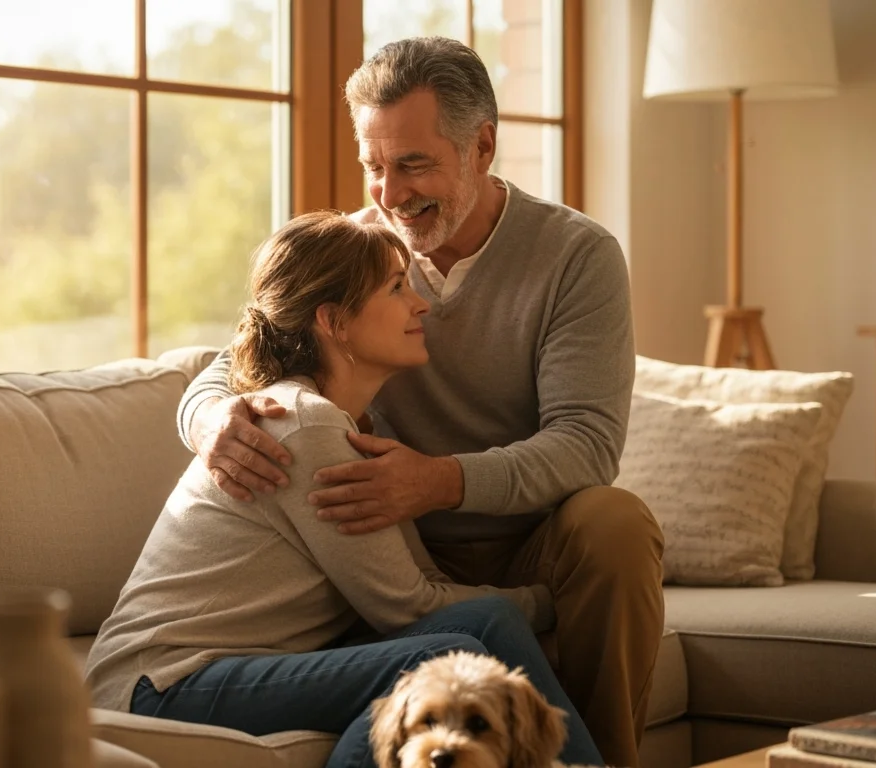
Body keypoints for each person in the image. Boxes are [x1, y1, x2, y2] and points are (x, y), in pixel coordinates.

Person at [175, 37, 665, 768]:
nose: (389, 194)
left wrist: (439, 479)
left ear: (483, 146)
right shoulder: (355, 249)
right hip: (382, 536)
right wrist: (210, 417)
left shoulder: (575, 255)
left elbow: (587, 444)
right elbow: (241, 357)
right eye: (373, 166)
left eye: (411, 163)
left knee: (617, 523)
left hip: (522, 528)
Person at [84, 210, 603, 768]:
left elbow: (420, 585)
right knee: (446, 648)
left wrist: (523, 606)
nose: (420, 304)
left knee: (469, 634)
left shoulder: (345, 427)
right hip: (159, 685)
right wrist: (555, 602)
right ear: (333, 321)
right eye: (398, 288)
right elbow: (407, 607)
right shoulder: (304, 423)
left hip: (222, 670)